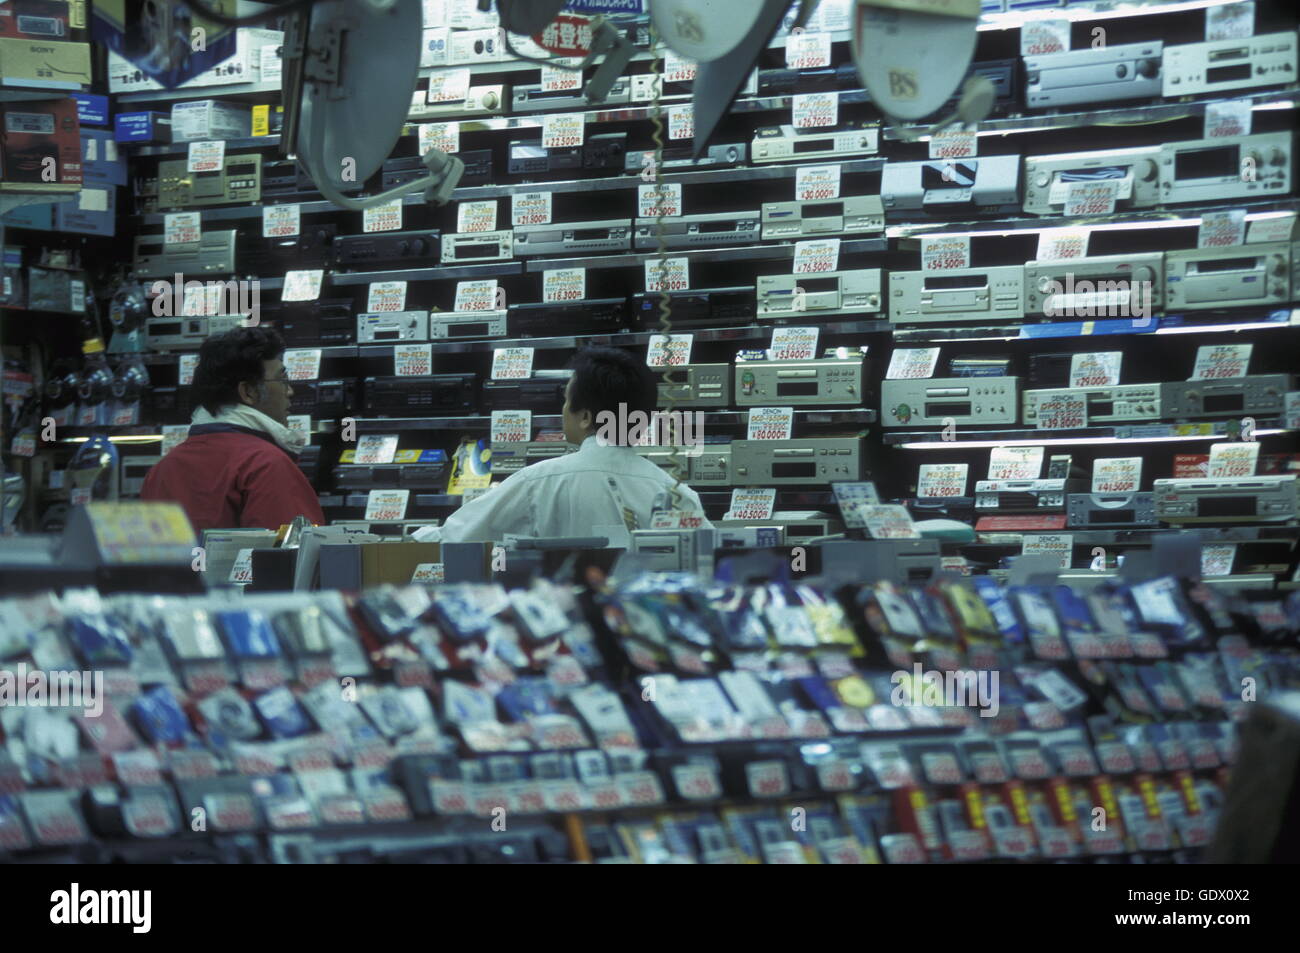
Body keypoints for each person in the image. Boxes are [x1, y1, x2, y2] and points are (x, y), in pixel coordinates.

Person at [416, 346, 712, 543]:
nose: (563, 409)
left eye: (567, 400)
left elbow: (454, 538)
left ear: (585, 416)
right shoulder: (677, 493)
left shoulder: (538, 481)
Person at [141, 326, 325, 533]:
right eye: (282, 379)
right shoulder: (265, 464)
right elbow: (292, 558)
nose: (290, 391)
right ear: (248, 391)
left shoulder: (161, 470)